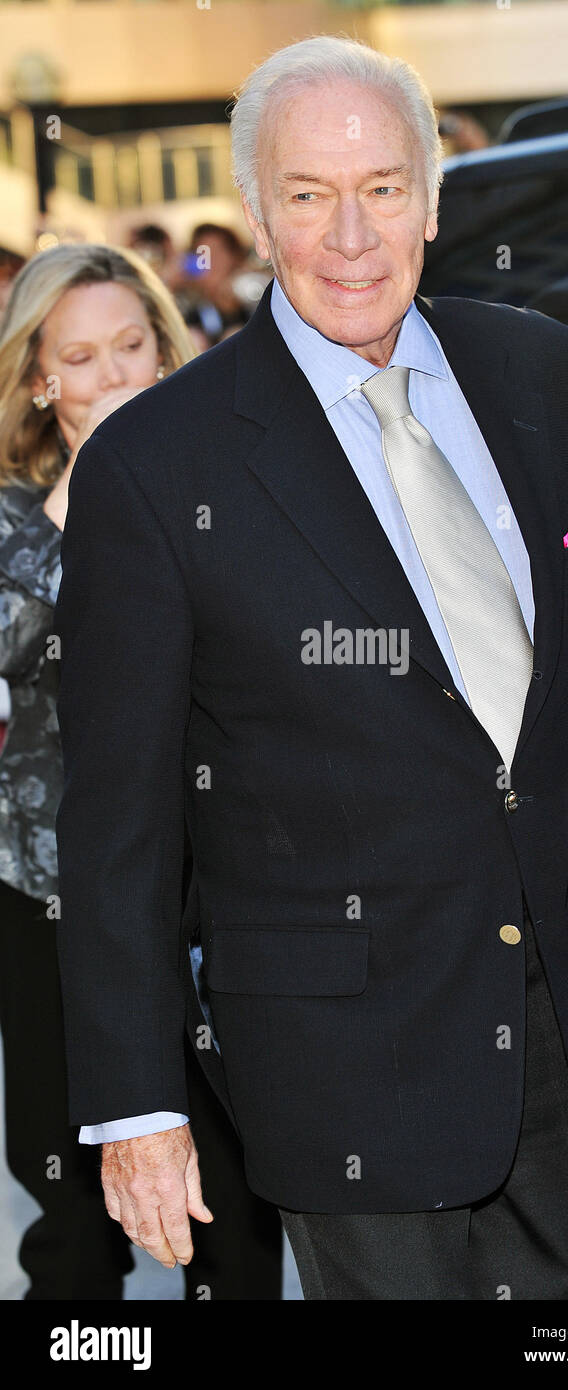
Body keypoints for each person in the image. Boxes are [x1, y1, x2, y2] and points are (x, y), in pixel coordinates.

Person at [54, 36, 568, 1301]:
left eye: (382, 188)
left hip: (552, 1017)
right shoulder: (157, 466)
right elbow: (116, 818)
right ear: (256, 213)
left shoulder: (535, 370)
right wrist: (133, 1109)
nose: (350, 235)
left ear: (434, 203)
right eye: (307, 195)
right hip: (341, 1066)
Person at [0, 242, 281, 1299]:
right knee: (68, 1205)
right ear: (39, 378)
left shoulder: (228, 480)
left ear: (167, 351)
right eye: (80, 357)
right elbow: (8, 638)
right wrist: (91, 480)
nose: (113, 375)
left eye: (131, 346)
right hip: (53, 897)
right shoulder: (19, 512)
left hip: (217, 887)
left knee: (233, 1195)